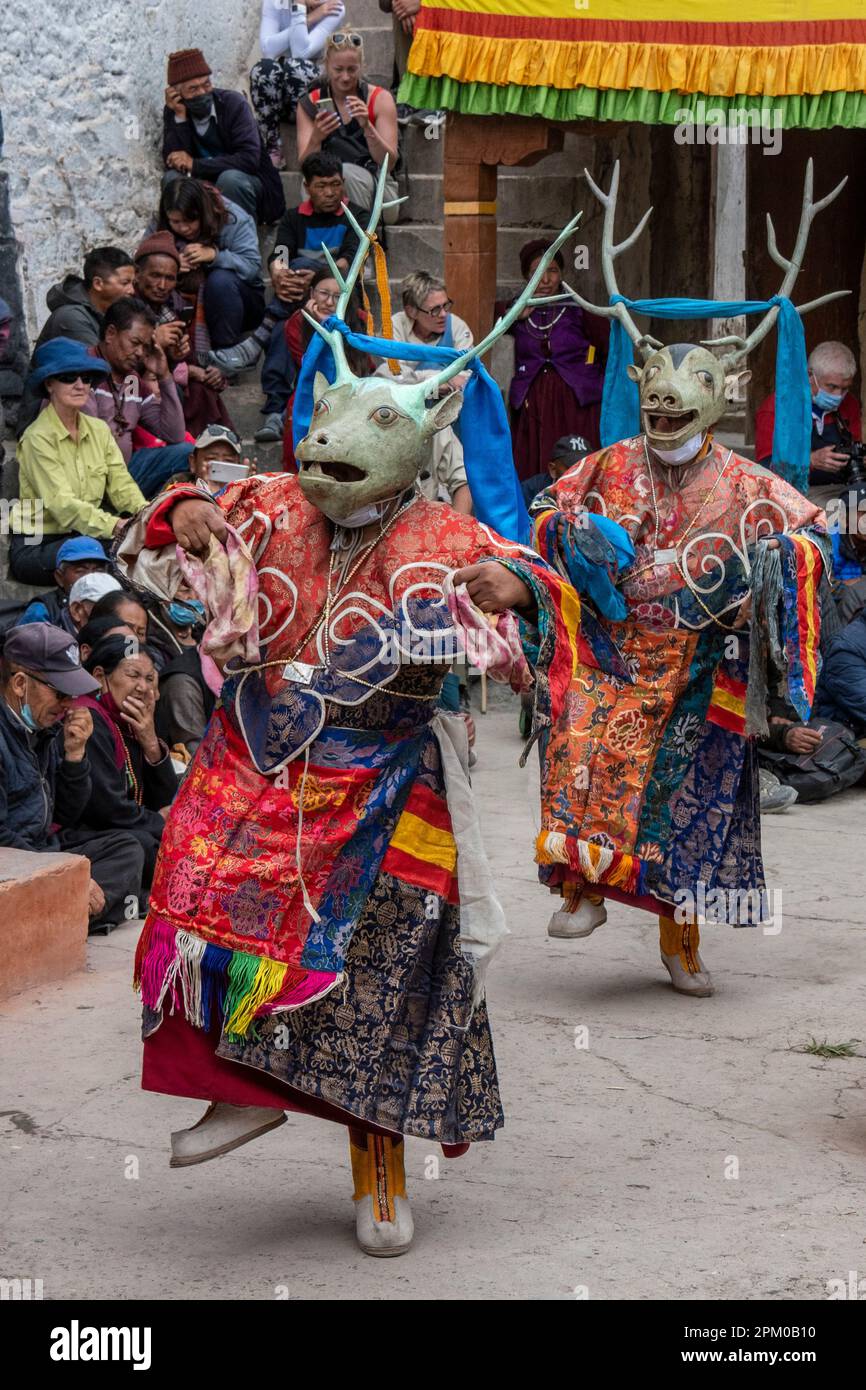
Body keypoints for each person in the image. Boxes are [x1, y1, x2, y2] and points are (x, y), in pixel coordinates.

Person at [118, 226, 580, 1257]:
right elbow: (159, 521)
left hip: (386, 792)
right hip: (256, 767)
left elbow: (540, 594)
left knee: (380, 984)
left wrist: (524, 590)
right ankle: (242, 1089)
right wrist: (185, 508)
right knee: (193, 914)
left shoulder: (444, 532)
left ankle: (379, 1178)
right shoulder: (271, 499)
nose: (329, 449)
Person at [0, 623, 147, 932]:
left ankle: (64, 913)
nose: (68, 704)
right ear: (19, 684)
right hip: (13, 859)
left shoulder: (45, 729)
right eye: (60, 693)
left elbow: (66, 814)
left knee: (127, 848)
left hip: (43, 848)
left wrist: (75, 756)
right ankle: (67, 914)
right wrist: (62, 872)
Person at [207, 152, 362, 380]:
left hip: (341, 294)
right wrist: (279, 273)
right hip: (301, 297)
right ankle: (274, 406)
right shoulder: (294, 218)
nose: (330, 193)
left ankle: (257, 339)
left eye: (336, 184)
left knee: (300, 264)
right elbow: (281, 251)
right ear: (307, 187)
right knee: (281, 330)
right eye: (321, 186)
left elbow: (349, 258)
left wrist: (318, 279)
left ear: (344, 184)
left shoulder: (357, 215)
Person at [9, 339, 146, 586]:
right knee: (102, 557)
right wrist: (116, 525)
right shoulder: (36, 438)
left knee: (138, 549)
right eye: (69, 377)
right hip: (37, 542)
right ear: (49, 384)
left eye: (86, 378)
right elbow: (62, 506)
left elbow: (122, 485)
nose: (80, 384)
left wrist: (145, 515)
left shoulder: (99, 430)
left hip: (83, 534)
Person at [74, 636, 179, 893]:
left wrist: (150, 742)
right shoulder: (89, 718)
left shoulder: (131, 724)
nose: (143, 688)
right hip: (82, 833)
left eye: (149, 678)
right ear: (100, 677)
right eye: (133, 675)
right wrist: (157, 821)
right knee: (141, 845)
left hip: (118, 829)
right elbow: (107, 809)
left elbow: (163, 798)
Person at [503, 238, 608, 482]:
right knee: (534, 468)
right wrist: (512, 315)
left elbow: (608, 348)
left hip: (574, 405)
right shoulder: (516, 311)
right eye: (537, 272)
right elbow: (487, 330)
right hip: (533, 406)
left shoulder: (578, 308)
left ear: (561, 274)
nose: (545, 280)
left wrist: (590, 382)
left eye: (552, 271)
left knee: (574, 463)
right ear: (526, 277)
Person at [374, 271, 473, 512]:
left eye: (445, 305)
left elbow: (465, 377)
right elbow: (392, 375)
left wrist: (420, 380)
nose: (443, 315)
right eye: (434, 310)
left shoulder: (456, 326)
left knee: (462, 470)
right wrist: (434, 382)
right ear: (411, 311)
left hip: (449, 414)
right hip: (406, 416)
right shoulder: (393, 326)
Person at [162, 49, 285, 225]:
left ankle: (242, 243)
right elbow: (173, 160)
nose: (202, 92)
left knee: (230, 179)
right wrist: (180, 118)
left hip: (247, 185)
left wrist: (195, 165)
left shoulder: (233, 104)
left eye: (206, 84)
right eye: (193, 89)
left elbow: (249, 159)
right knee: (171, 179)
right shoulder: (175, 110)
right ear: (177, 93)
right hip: (204, 185)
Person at [86, 298, 193, 498]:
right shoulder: (83, 373)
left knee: (188, 453)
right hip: (90, 477)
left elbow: (174, 434)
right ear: (110, 333)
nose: (140, 353)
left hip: (126, 473)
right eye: (135, 343)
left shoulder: (133, 380)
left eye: (145, 347)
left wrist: (164, 376)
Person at [133, 233, 234, 438]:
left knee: (204, 391)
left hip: (169, 378)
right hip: (134, 387)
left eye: (170, 278)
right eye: (155, 275)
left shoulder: (174, 310)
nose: (162, 286)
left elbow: (188, 360)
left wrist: (208, 372)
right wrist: (154, 342)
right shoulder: (126, 310)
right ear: (137, 274)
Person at [296, 32, 399, 219]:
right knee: (312, 183)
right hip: (330, 184)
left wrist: (367, 127)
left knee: (348, 175)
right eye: (338, 69)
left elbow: (389, 164)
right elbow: (304, 165)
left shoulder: (380, 99)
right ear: (327, 65)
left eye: (352, 70)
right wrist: (316, 138)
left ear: (361, 67)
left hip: (378, 192)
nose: (345, 77)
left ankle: (358, 243)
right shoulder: (310, 103)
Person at [157, 178, 266, 353]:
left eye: (190, 220)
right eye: (175, 222)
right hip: (185, 304)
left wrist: (215, 256)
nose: (184, 228)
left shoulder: (234, 219)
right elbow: (144, 263)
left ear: (203, 213)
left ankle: (224, 355)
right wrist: (171, 262)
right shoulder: (161, 221)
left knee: (220, 281)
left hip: (240, 302)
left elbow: (252, 268)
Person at [278, 269, 371, 465]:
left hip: (353, 388)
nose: (329, 302)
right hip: (315, 386)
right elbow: (309, 365)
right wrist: (321, 325)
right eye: (324, 293)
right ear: (311, 293)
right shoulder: (297, 322)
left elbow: (360, 366)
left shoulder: (360, 319)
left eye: (337, 296)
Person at [755, 341, 862, 507]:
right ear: (810, 375)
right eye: (832, 386)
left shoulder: (850, 404)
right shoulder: (777, 408)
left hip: (844, 488)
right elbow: (764, 469)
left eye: (844, 388)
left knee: (858, 514)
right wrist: (810, 461)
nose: (839, 395)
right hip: (798, 492)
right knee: (839, 519)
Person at [251, 0, 347, 167]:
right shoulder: (274, 3)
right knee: (263, 69)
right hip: (280, 97)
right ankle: (272, 144)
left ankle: (318, 139)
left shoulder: (335, 6)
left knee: (296, 66)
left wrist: (299, 12)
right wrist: (307, 16)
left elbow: (301, 52)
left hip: (312, 92)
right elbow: (268, 50)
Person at [34, 248, 135, 351]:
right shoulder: (72, 317)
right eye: (125, 283)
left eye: (132, 283)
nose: (132, 290)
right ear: (98, 284)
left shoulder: (108, 314)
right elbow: (97, 363)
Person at [16, 537, 110, 630]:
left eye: (98, 570)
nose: (91, 578)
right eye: (81, 571)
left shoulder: (113, 604)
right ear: (60, 577)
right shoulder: (42, 611)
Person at [520, 433, 591, 510]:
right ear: (553, 469)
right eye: (573, 469)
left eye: (586, 467)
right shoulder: (530, 491)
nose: (580, 473)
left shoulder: (598, 485)